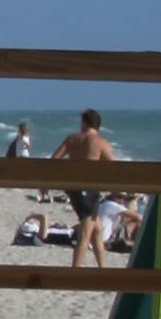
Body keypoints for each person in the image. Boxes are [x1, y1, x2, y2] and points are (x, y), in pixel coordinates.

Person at [60, 103, 119, 276]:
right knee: (86, 233)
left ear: (85, 123)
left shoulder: (71, 139)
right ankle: (74, 273)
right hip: (90, 190)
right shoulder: (101, 142)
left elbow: (54, 159)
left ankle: (103, 270)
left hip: (74, 189)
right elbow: (114, 168)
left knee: (97, 229)